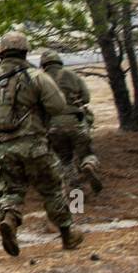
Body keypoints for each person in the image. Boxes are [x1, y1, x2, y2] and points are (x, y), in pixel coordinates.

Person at [0, 30, 85, 256]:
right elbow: (57, 106)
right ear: (25, 51)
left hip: (2, 147)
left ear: (1, 52)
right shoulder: (36, 77)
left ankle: (9, 219)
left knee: (11, 190)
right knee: (52, 189)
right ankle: (67, 235)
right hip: (34, 145)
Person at [39, 49, 102, 194]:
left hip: (53, 126)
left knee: (65, 160)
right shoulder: (72, 75)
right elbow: (86, 98)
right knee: (87, 153)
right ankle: (88, 165)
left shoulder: (40, 79)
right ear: (58, 61)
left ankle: (77, 193)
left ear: (43, 64)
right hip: (76, 121)